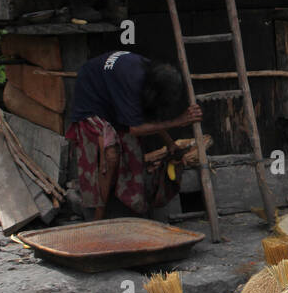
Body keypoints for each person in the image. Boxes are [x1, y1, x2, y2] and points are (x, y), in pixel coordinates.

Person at [65, 51, 202, 220]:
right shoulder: (132, 82)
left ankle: (133, 203)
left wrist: (169, 143)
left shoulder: (152, 73)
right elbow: (135, 129)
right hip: (91, 102)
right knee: (111, 154)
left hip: (112, 97)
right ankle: (98, 217)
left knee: (132, 151)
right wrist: (178, 122)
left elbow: (149, 114)